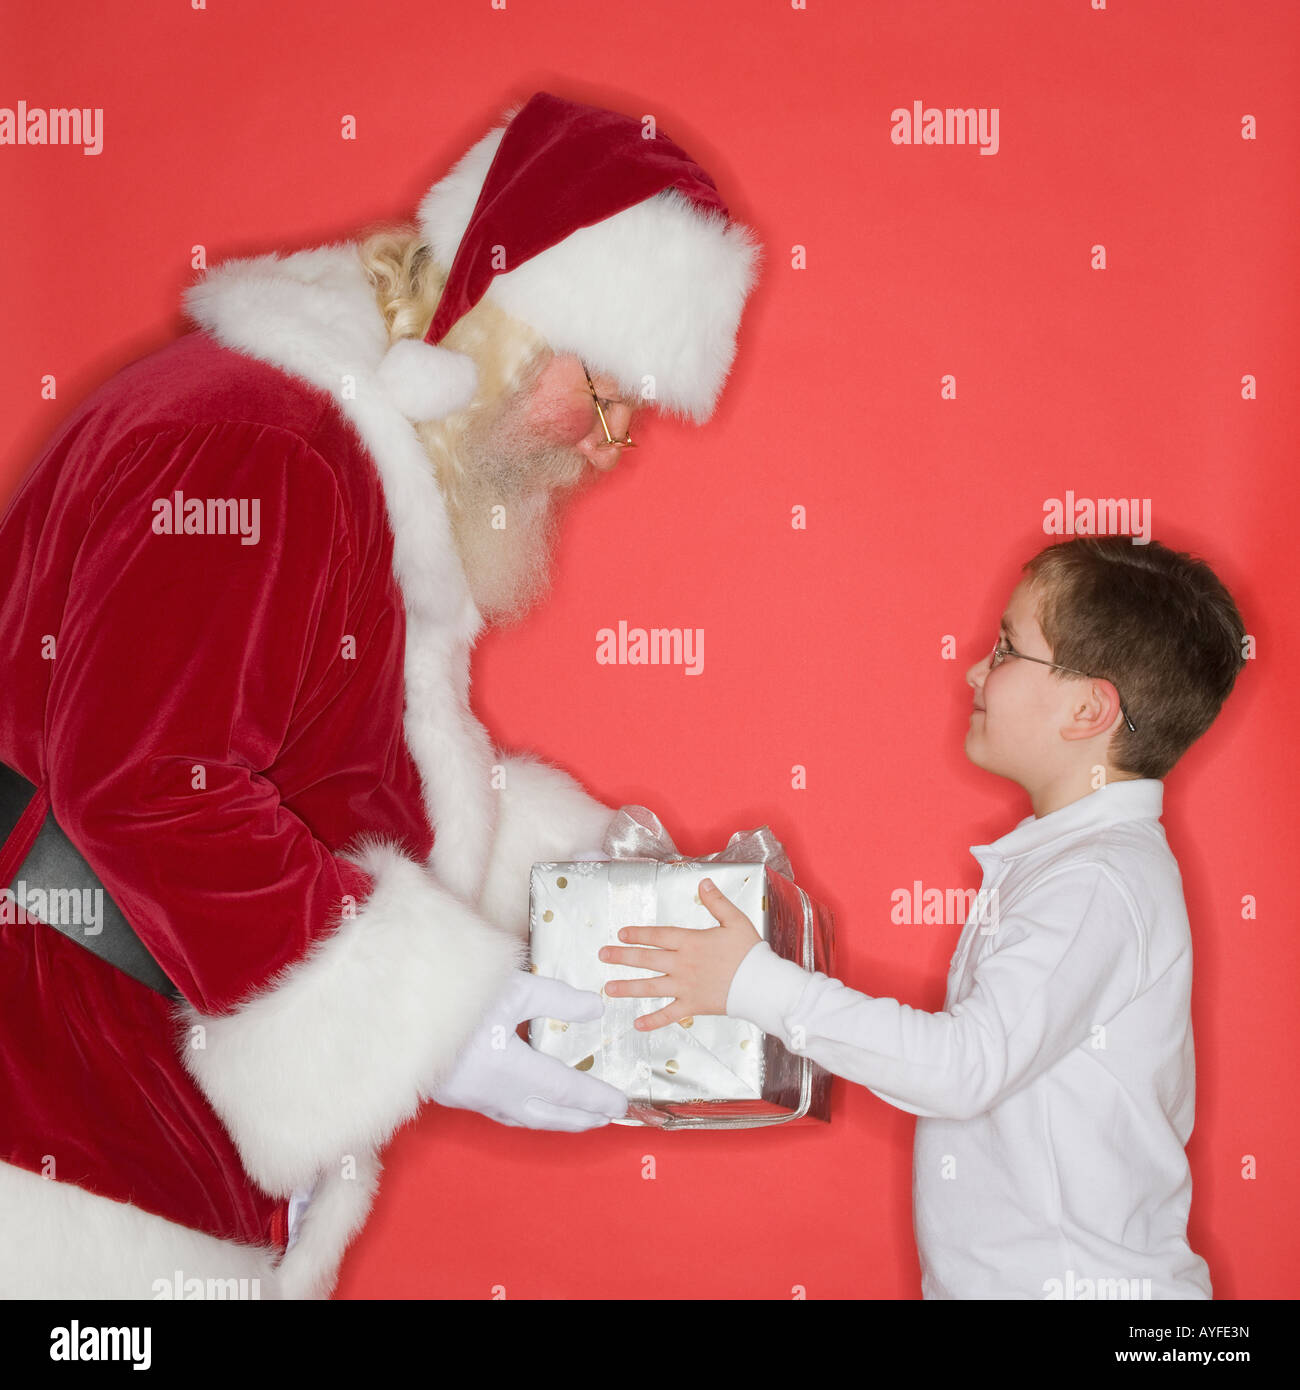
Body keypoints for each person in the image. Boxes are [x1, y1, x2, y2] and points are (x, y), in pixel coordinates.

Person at [0, 91, 762, 1298]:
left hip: (130, 1109)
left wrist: (577, 883)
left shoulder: (345, 450)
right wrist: (442, 1021)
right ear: (504, 318)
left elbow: (328, 775)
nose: (608, 445)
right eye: (606, 389)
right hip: (66, 1134)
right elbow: (146, 787)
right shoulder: (261, 445)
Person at [603, 535, 1247, 1299]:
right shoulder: (1083, 868)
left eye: (1008, 649)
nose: (975, 671)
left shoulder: (1098, 882)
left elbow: (963, 1068)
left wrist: (753, 985)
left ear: (1088, 708)